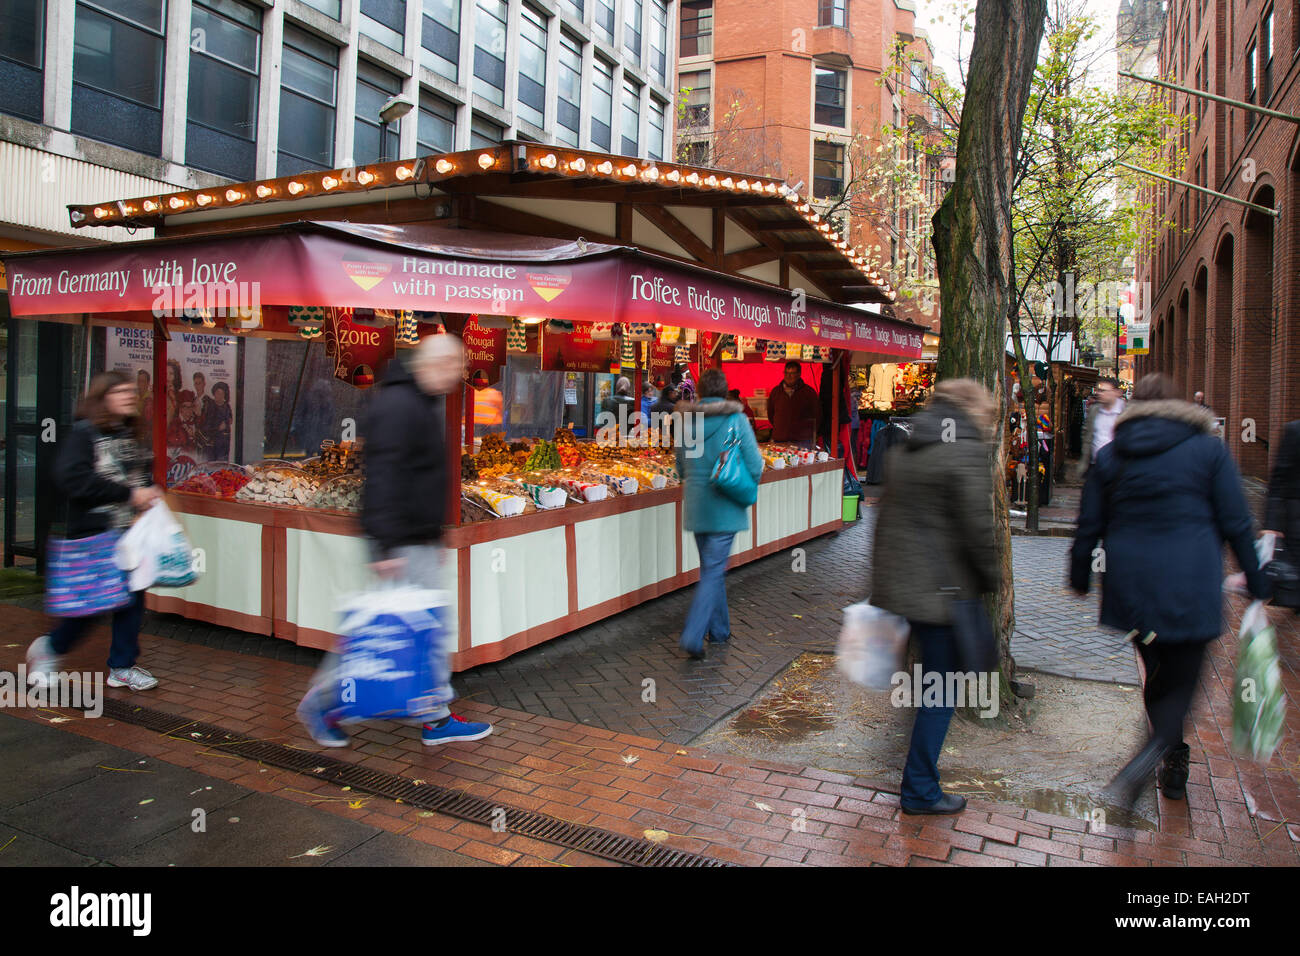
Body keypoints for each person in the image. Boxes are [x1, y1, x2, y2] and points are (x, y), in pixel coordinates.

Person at [1070, 373, 1270, 807]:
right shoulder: (1208, 451)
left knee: (1158, 671)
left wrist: (1079, 574)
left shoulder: (1111, 456)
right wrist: (1256, 577)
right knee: (1181, 682)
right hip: (1191, 584)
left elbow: (1089, 524)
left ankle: (1166, 754)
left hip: (1130, 587)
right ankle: (1158, 754)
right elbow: (1236, 522)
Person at [297, 335, 492, 748]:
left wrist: (434, 533)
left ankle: (433, 714)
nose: (459, 375)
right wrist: (384, 547)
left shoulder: (418, 400)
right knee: (391, 630)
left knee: (419, 627)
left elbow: (420, 474)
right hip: (399, 542)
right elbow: (382, 477)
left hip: (414, 537)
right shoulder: (401, 405)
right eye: (454, 365)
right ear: (433, 364)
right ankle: (327, 701)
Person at [870, 379, 1000, 815]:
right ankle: (920, 789)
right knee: (940, 694)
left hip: (907, 592)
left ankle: (916, 778)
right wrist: (990, 578)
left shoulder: (907, 446)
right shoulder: (963, 449)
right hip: (944, 595)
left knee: (925, 687)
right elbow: (978, 530)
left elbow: (885, 520)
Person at [26, 371, 165, 691]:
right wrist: (128, 495)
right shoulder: (84, 435)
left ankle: (122, 666)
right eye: (121, 391)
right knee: (90, 607)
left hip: (129, 535)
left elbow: (138, 477)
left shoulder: (130, 434)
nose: (130, 396)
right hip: (93, 536)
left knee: (131, 601)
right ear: (102, 399)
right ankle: (50, 649)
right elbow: (73, 478)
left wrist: (147, 494)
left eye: (131, 391)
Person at [675, 368, 763, 660]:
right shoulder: (736, 420)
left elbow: (680, 468)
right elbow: (756, 464)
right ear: (725, 392)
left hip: (698, 507)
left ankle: (721, 630)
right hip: (725, 507)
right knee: (713, 571)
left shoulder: (689, 422)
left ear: (698, 392)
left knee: (711, 570)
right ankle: (693, 634)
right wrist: (740, 480)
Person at [1075, 377, 1125, 479]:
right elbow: (1086, 433)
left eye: (1103, 391)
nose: (1099, 393)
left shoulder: (1126, 412)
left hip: (1118, 469)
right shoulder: (1094, 410)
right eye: (1098, 390)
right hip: (1095, 467)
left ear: (1116, 392)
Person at [768, 360, 820, 449]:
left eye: (792, 373)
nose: (789, 376)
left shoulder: (809, 392)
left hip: (802, 441)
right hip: (780, 439)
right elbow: (771, 414)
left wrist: (811, 434)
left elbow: (817, 415)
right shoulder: (776, 391)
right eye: (786, 373)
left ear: (799, 374)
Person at [201, 381, 233, 461]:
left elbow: (230, 419)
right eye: (218, 393)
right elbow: (205, 427)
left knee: (223, 465)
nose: (220, 396)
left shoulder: (227, 406)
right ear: (214, 393)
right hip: (212, 444)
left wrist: (228, 422)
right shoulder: (210, 407)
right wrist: (218, 428)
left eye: (222, 393)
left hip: (224, 443)